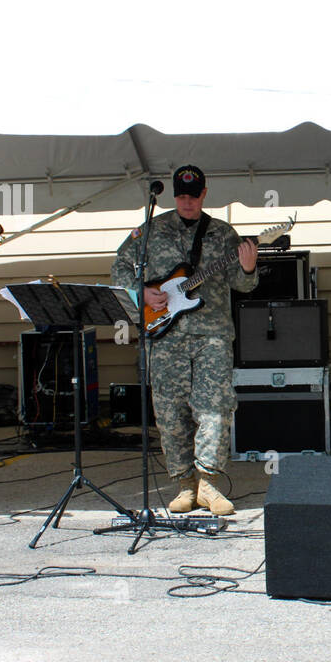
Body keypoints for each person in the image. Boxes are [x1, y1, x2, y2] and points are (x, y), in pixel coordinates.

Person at [111, 165, 258, 515]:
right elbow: (119, 269)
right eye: (181, 196)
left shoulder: (223, 234)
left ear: (204, 194)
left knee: (215, 409)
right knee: (170, 413)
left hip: (212, 336)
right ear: (173, 195)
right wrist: (142, 293)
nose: (187, 202)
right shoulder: (150, 231)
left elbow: (243, 284)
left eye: (194, 196)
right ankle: (184, 484)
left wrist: (249, 268)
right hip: (165, 335)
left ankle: (209, 483)